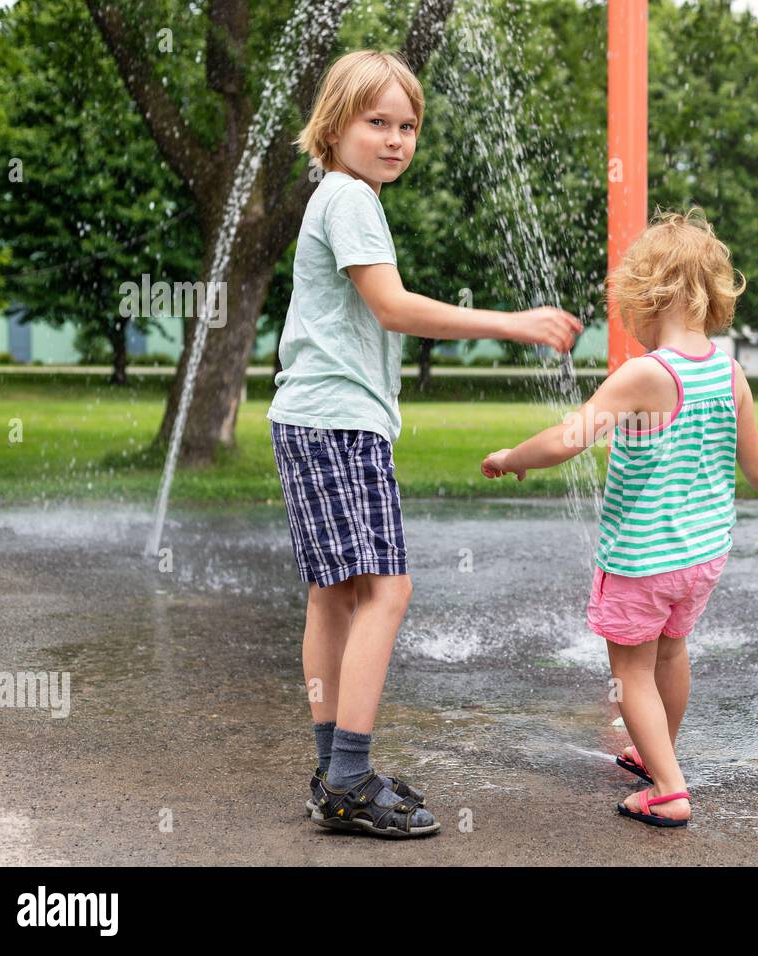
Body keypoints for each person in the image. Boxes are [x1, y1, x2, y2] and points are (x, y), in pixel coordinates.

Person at [268, 50, 581, 839]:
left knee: (334, 594)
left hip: (311, 416)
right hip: (338, 421)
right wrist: (514, 323)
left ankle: (332, 769)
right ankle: (347, 778)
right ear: (335, 125)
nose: (396, 139)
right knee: (385, 591)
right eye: (377, 123)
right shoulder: (350, 200)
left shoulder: (339, 197)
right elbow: (394, 308)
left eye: (408, 126)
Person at [481, 207, 758, 828]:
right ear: (710, 294)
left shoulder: (646, 374)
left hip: (644, 558)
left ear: (646, 295)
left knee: (630, 670)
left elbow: (570, 438)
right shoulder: (729, 373)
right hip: (703, 555)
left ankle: (670, 790)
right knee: (670, 655)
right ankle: (659, 756)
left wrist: (513, 458)